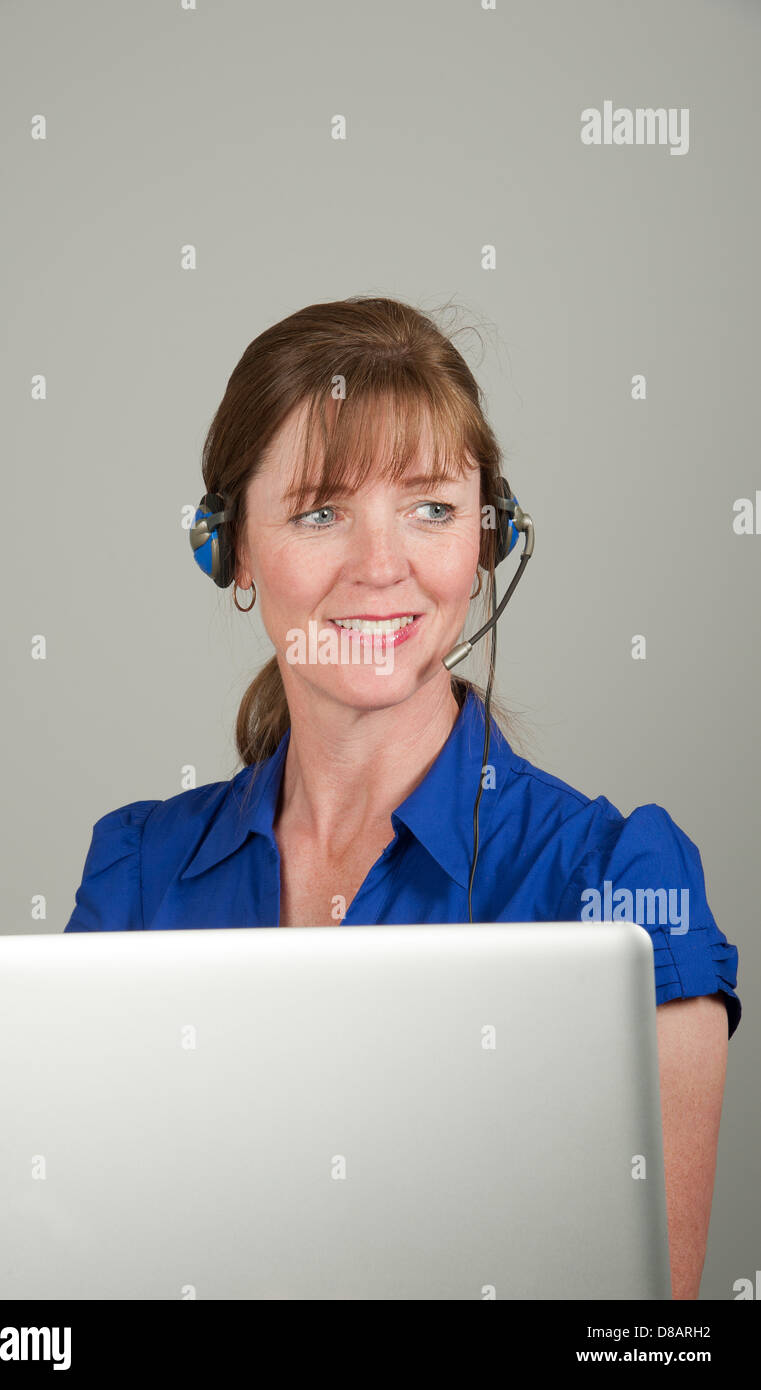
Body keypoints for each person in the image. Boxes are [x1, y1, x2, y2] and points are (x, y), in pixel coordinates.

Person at [64, 295, 741, 1299]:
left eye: (430, 507)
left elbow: (646, 1339)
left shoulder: (621, 884)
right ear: (231, 550)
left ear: (487, 537)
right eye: (321, 510)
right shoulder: (137, 872)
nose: (383, 568)